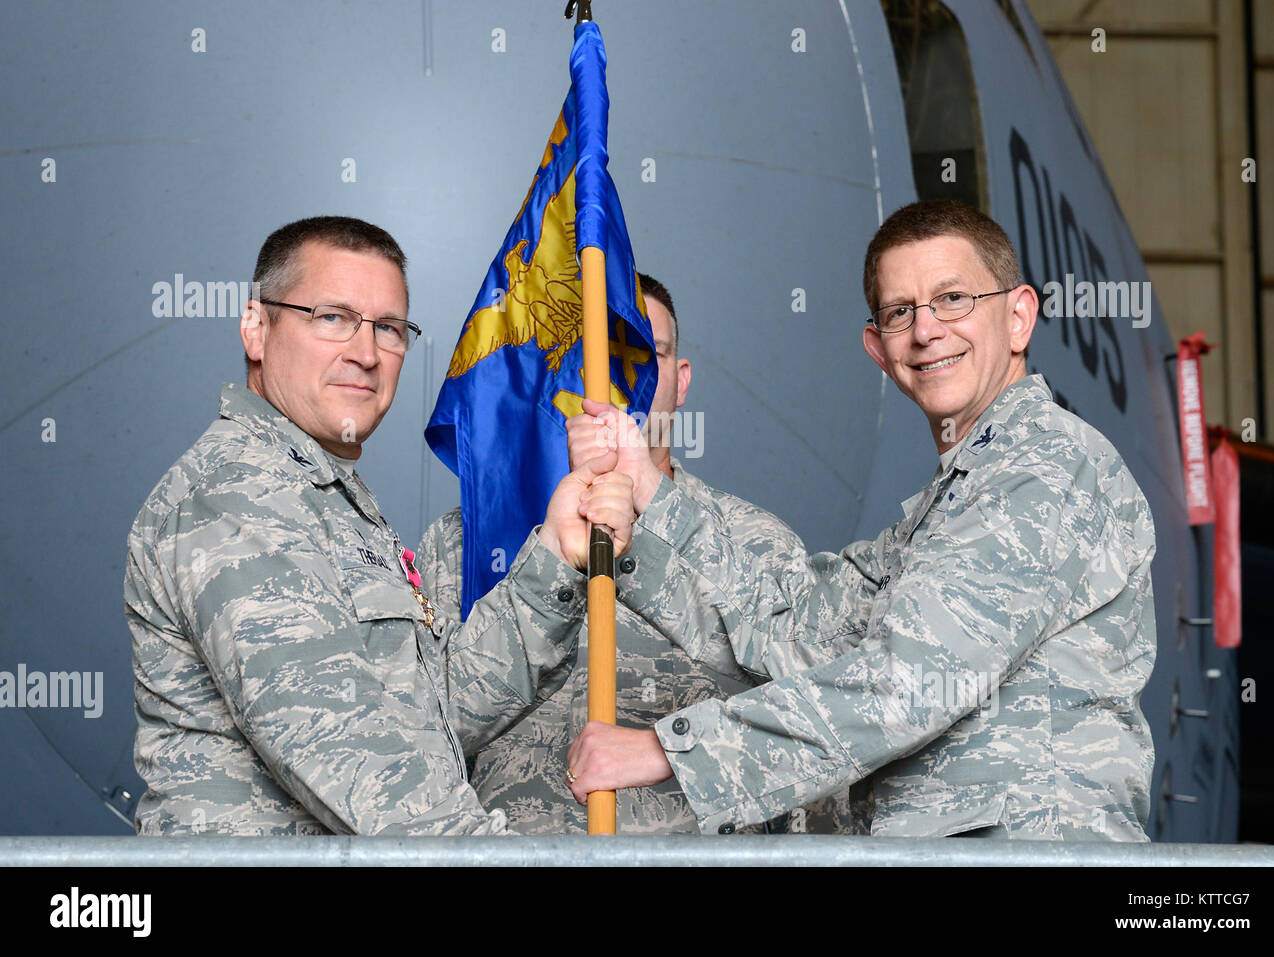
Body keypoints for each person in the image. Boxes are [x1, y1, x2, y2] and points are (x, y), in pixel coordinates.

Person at [564, 200, 1157, 840]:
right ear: (877, 346)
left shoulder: (1047, 466)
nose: (927, 331)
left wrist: (670, 750)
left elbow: (907, 683)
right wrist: (649, 489)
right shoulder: (939, 513)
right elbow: (794, 630)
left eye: (953, 298)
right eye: (901, 312)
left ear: (1018, 319)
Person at [124, 216, 634, 836]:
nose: (365, 354)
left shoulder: (325, 494)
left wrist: (557, 553)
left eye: (388, 329)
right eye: (331, 317)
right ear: (256, 327)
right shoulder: (236, 495)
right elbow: (343, 748)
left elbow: (435, 710)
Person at [417, 274, 864, 833]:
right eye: (594, 355)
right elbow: (414, 739)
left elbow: (827, 730)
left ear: (680, 380)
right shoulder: (467, 543)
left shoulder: (756, 540)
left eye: (641, 354)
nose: (616, 380)